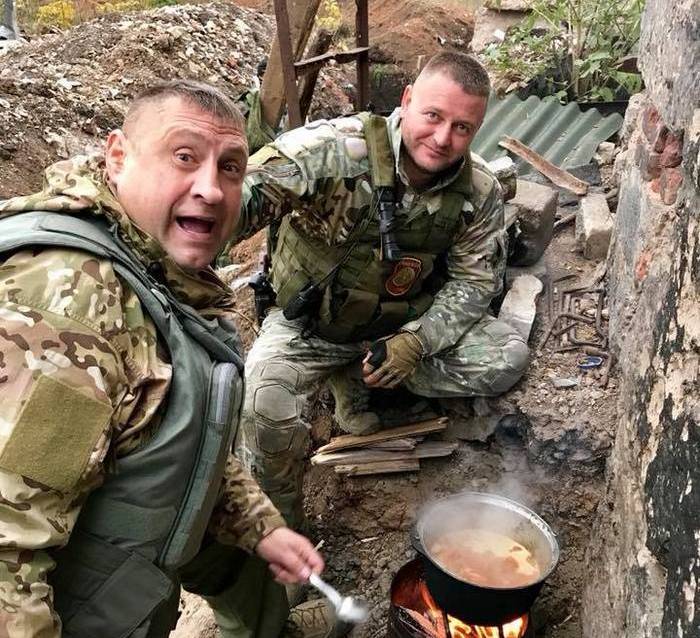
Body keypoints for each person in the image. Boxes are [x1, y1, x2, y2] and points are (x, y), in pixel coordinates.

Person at [0, 80, 326, 638]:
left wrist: (259, 525)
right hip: (76, 609)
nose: (213, 189)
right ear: (118, 157)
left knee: (248, 573)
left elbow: (174, 427)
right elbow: (8, 550)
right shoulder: (71, 308)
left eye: (229, 167)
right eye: (184, 157)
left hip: (138, 549)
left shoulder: (153, 265)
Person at [230, 51, 529, 628]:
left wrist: (415, 342)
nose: (443, 138)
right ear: (406, 100)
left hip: (394, 335)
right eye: (433, 116)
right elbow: (237, 203)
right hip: (308, 329)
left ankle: (363, 386)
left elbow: (474, 282)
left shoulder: (478, 191)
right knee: (261, 405)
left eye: (462, 126)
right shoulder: (329, 152)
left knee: (504, 357)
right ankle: (286, 551)